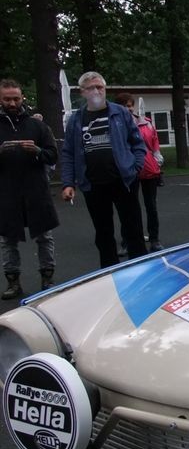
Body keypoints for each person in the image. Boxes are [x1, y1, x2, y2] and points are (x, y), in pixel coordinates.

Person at [61, 71, 148, 268]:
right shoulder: (76, 120)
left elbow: (138, 143)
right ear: (82, 92)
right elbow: (68, 153)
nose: (96, 91)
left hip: (124, 180)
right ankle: (109, 270)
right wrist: (68, 182)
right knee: (103, 232)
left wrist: (136, 167)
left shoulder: (120, 112)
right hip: (93, 184)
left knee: (133, 227)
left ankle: (141, 267)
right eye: (91, 88)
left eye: (100, 87)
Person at [0, 79, 60, 298]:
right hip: (7, 192)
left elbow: (53, 155)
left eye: (16, 98)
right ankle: (13, 282)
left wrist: (36, 150)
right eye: (7, 99)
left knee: (45, 236)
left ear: (22, 97)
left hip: (36, 190)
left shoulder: (37, 125)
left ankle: (48, 278)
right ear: (1, 99)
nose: (12, 103)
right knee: (8, 240)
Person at [115, 93, 164, 252]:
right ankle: (127, 241)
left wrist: (157, 156)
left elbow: (154, 141)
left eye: (130, 105)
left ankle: (154, 239)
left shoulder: (146, 123)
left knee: (151, 206)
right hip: (129, 171)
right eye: (124, 106)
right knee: (129, 208)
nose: (128, 109)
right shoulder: (115, 125)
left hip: (149, 169)